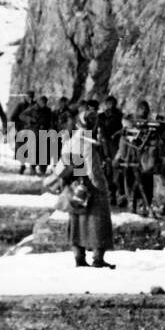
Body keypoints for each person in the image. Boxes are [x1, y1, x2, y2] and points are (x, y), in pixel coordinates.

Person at [61, 110, 115, 269]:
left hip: (75, 185)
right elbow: (93, 171)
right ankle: (98, 258)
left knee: (77, 222)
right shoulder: (88, 145)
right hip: (90, 187)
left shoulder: (71, 141)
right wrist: (103, 188)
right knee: (99, 221)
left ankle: (79, 257)